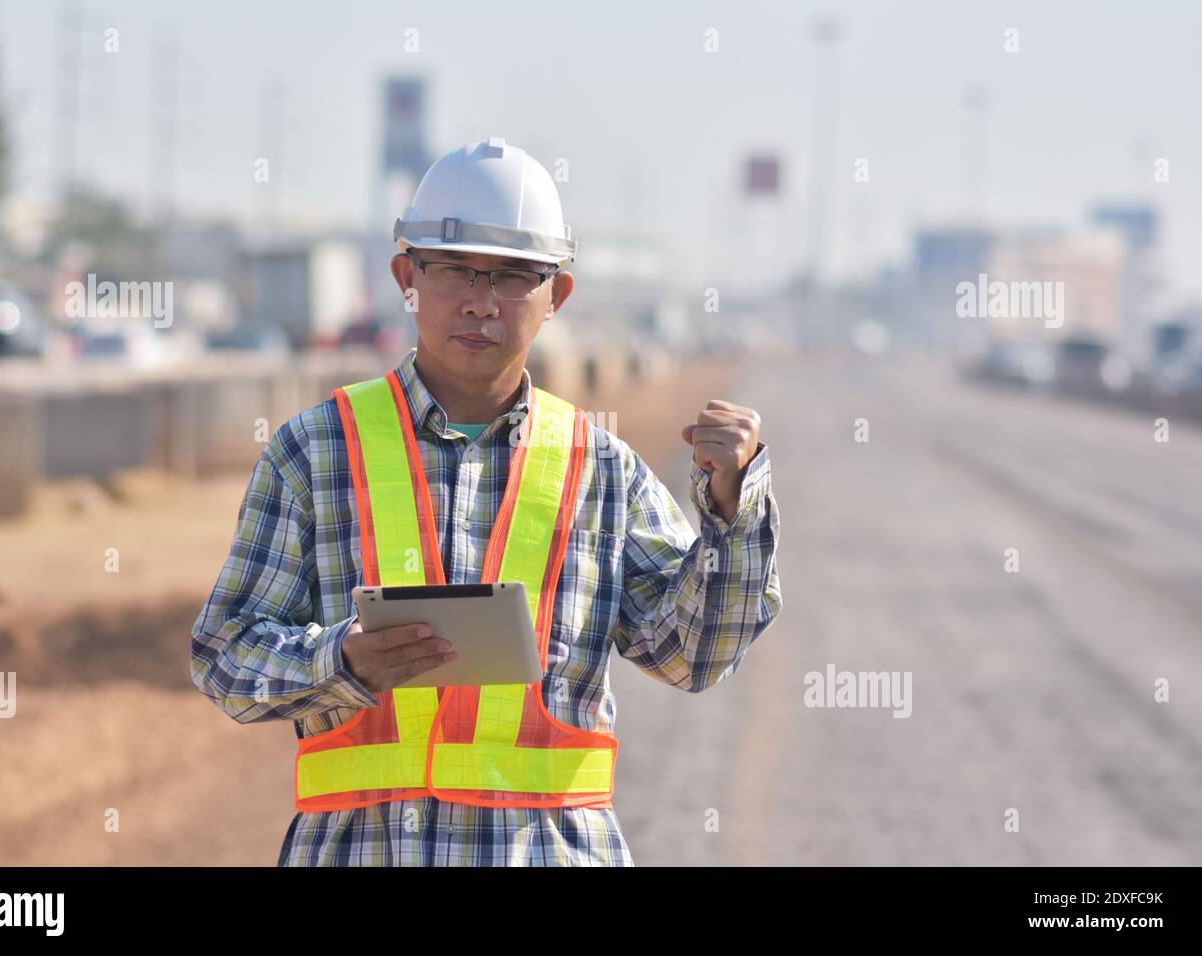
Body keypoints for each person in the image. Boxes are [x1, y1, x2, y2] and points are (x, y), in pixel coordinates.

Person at [191, 137, 782, 866]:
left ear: (556, 295)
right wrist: (339, 662)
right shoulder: (314, 453)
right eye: (455, 270)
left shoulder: (600, 470)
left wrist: (731, 510)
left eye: (512, 277)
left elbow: (692, 656)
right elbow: (226, 657)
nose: (480, 300)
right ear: (407, 276)